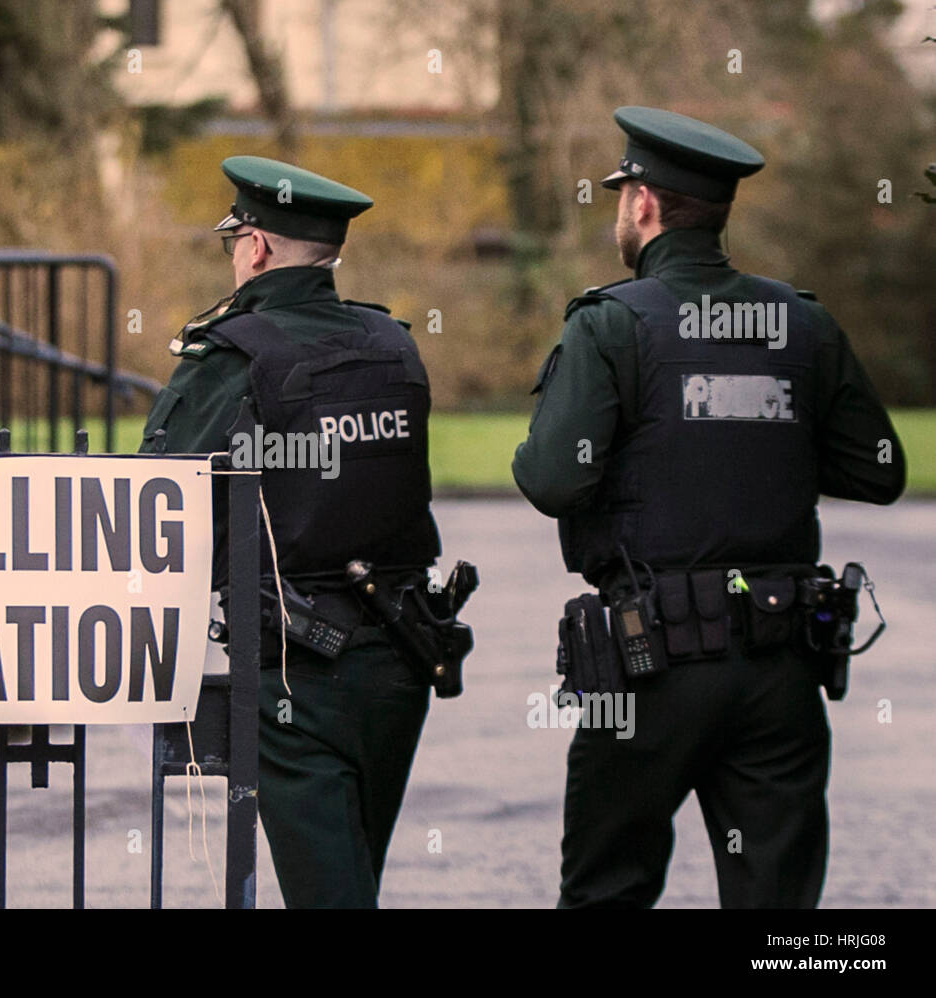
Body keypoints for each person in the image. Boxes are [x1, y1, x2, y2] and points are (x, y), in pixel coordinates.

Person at [512, 107, 906, 908]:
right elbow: (879, 470)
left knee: (607, 890)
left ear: (645, 205)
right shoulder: (804, 323)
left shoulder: (612, 324)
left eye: (621, 195)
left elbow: (552, 480)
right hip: (780, 667)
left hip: (649, 668)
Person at [139, 155, 443, 907]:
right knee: (352, 873)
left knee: (330, 892)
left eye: (233, 241)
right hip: (402, 655)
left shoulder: (236, 355)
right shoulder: (392, 344)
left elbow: (162, 498)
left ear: (257, 246)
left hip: (297, 672)